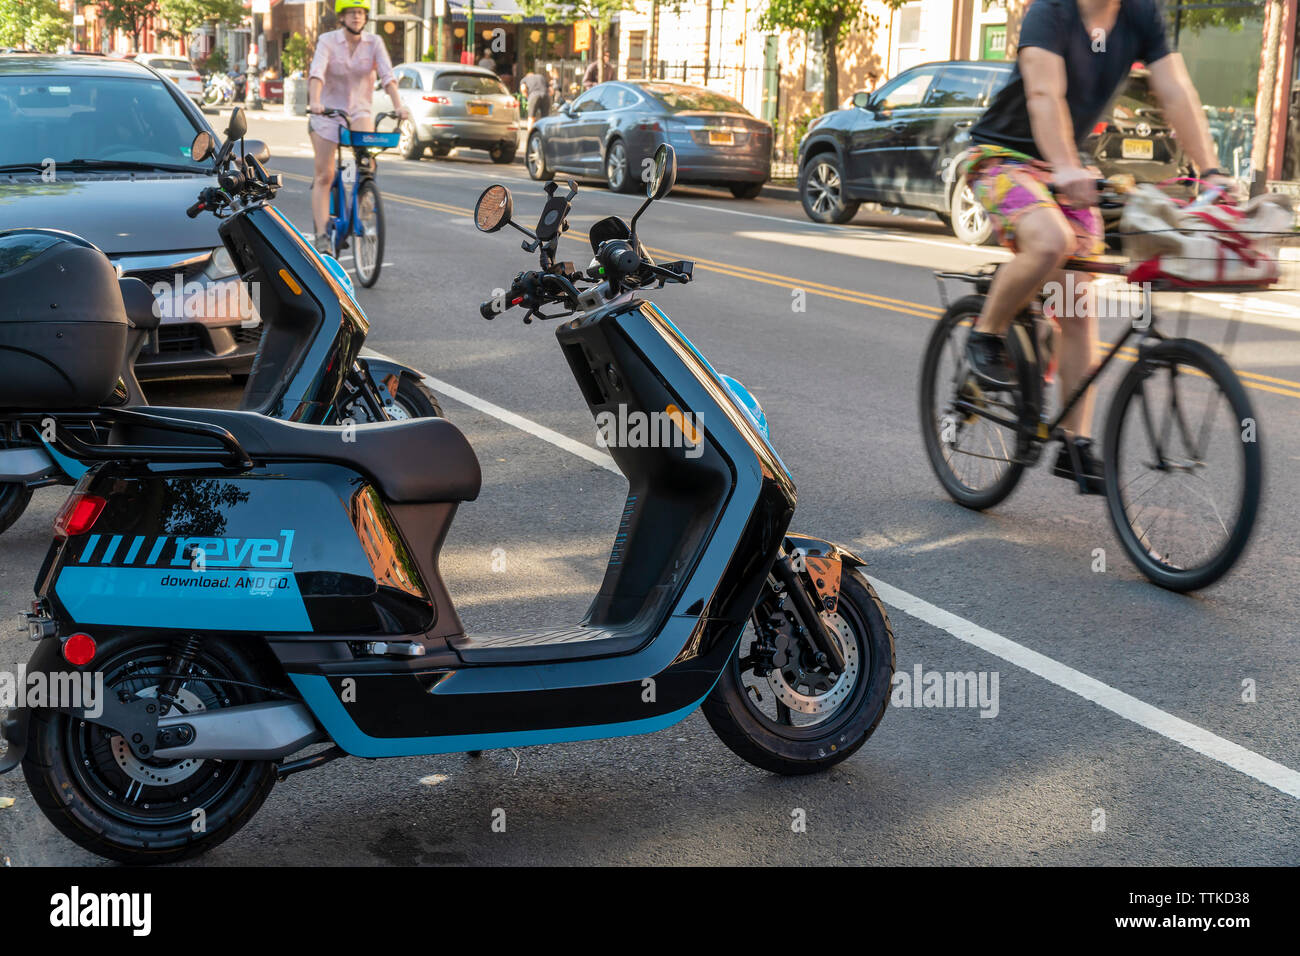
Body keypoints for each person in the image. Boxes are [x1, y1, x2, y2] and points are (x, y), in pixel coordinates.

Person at [960, 0, 1232, 493]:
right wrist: (1065, 165)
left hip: (1068, 168)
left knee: (1078, 300)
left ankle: (1075, 443)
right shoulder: (1051, 11)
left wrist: (1210, 172)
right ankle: (986, 332)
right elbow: (1044, 95)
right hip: (1003, 157)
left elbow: (1176, 90)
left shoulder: (1140, 15)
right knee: (1051, 242)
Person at [306, 0, 409, 252]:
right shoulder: (328, 41)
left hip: (359, 111)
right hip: (328, 112)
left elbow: (388, 76)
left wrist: (399, 106)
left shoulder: (374, 42)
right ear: (341, 17)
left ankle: (362, 202)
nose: (356, 17)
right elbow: (317, 73)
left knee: (367, 166)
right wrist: (315, 101)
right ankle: (321, 235)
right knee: (325, 175)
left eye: (361, 13)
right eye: (351, 13)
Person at [520, 64, 552, 139]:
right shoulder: (541, 77)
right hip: (545, 95)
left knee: (531, 118)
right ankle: (544, 135)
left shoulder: (525, 79)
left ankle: (530, 137)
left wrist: (527, 97)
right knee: (545, 118)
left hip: (533, 95)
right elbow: (551, 91)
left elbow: (523, 89)